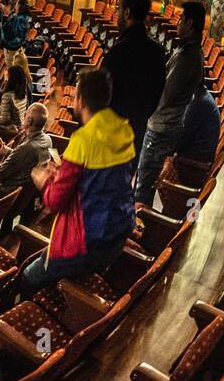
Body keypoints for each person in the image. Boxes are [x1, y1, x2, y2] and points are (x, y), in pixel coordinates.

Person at [15, 69, 135, 301]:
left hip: (88, 241)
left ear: (80, 100)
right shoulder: (123, 128)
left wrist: (45, 181)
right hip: (118, 230)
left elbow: (54, 201)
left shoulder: (83, 140)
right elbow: (100, 179)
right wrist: (64, 174)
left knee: (29, 277)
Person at [134, 1, 207, 206]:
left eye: (181, 19)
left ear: (190, 24)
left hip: (161, 129)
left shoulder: (188, 58)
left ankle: (136, 230)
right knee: (144, 180)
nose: (178, 23)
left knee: (143, 185)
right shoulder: (189, 52)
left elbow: (165, 96)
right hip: (166, 126)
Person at [100, 0, 167, 155]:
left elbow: (101, 99)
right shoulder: (158, 52)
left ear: (127, 12)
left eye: (118, 9)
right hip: (137, 136)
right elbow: (156, 96)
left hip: (110, 139)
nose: (116, 14)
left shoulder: (117, 52)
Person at [0, 102, 52, 210]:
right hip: (21, 192)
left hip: (2, 196)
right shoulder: (47, 139)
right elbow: (23, 158)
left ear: (29, 120)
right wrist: (5, 150)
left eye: (26, 114)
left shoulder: (27, 147)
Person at [0, 64, 30, 142]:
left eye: (7, 75)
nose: (5, 76)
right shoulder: (23, 92)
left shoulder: (8, 95)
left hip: (9, 130)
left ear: (12, 78)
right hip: (19, 127)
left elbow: (5, 119)